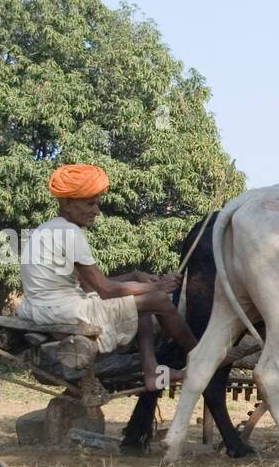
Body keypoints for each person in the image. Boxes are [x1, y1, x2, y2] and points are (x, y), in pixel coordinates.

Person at [18, 163, 198, 391]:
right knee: (159, 301)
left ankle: (151, 371)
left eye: (97, 204)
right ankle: (204, 357)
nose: (96, 211)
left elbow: (88, 286)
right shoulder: (70, 233)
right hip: (62, 310)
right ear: (67, 203)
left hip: (48, 307)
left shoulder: (50, 228)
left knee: (140, 303)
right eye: (90, 203)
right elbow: (105, 290)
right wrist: (159, 287)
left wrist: (135, 276)